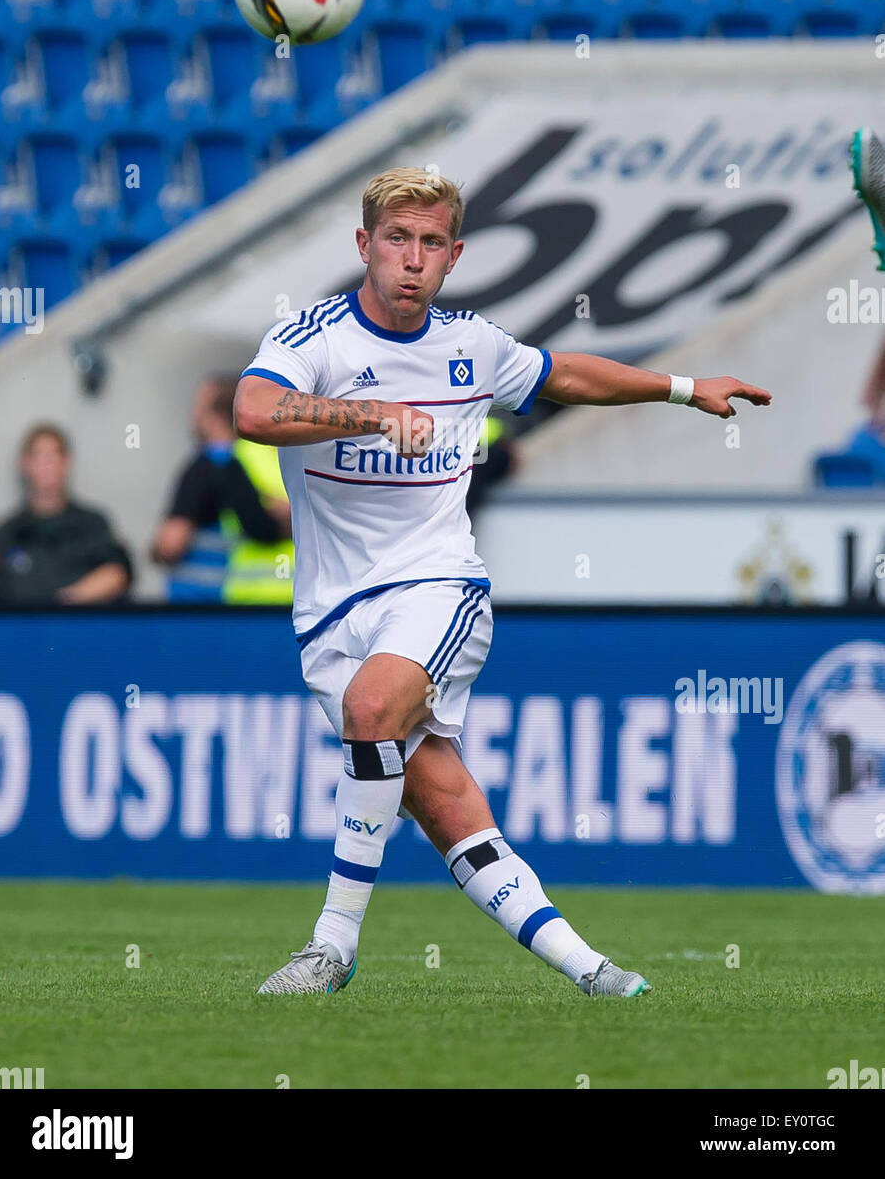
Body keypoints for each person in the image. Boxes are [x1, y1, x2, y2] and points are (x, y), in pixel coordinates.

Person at [234, 167, 771, 999]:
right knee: (444, 805)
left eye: (430, 244)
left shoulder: (470, 345)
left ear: (454, 255)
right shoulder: (313, 340)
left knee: (370, 712)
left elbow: (564, 375)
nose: (412, 259)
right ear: (363, 246)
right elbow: (255, 412)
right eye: (396, 240)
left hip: (437, 588)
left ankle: (329, 948)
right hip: (330, 615)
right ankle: (597, 976)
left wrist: (682, 388)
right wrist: (374, 414)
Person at [151, 377, 294, 603]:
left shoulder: (215, 463)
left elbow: (171, 544)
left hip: (208, 600)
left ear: (213, 416)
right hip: (293, 594)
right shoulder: (286, 455)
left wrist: (155, 550)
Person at [0, 424, 132, 604]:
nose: (47, 464)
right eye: (38, 456)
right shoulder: (7, 530)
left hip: (79, 624)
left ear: (66, 462)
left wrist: (67, 601)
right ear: (25, 463)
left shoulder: (92, 523)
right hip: (21, 627)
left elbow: (117, 573)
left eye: (54, 456)